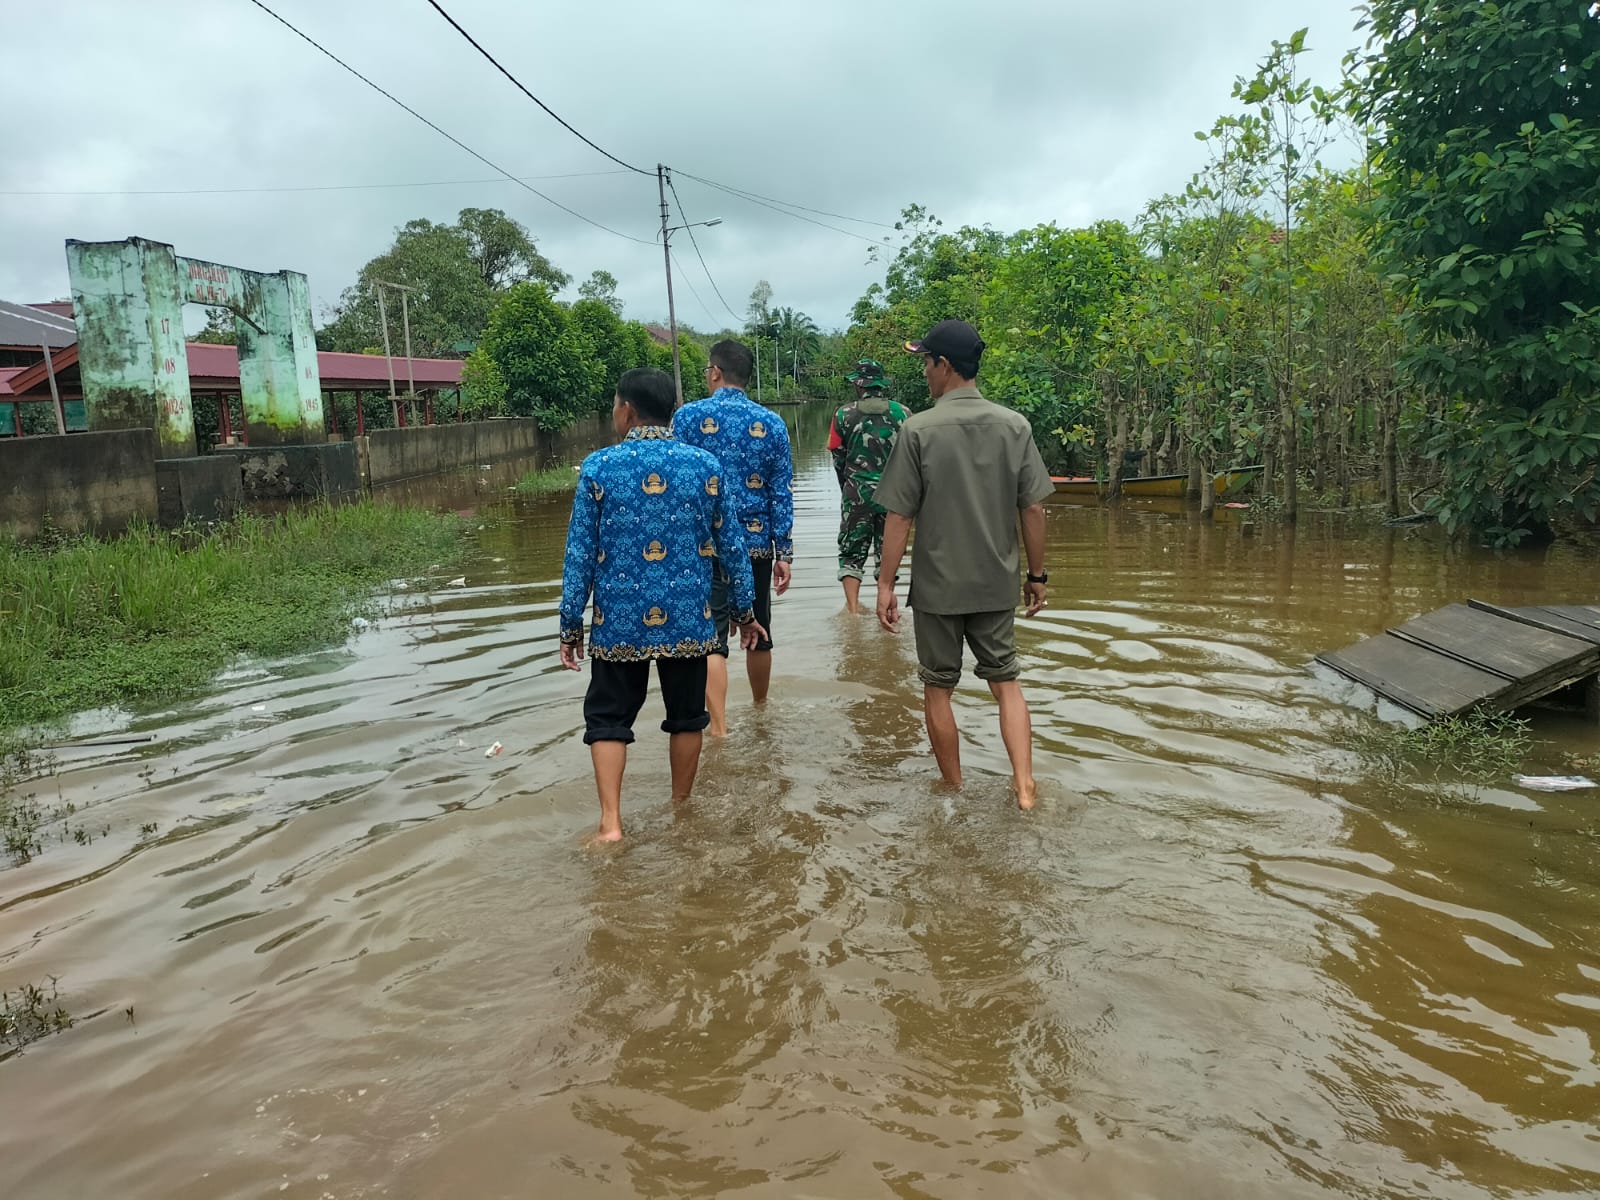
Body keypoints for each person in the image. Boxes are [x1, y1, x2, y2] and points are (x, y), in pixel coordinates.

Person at [559, 367, 766, 842]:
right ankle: (681, 811)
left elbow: (579, 555)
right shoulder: (703, 466)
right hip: (689, 621)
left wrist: (571, 625)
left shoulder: (598, 468)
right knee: (688, 716)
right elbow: (732, 547)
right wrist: (744, 613)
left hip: (619, 621)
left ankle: (611, 824)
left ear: (627, 410)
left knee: (608, 719)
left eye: (615, 405)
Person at [872, 320, 1055, 809]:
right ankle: (1024, 786)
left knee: (938, 690)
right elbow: (1033, 509)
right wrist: (1036, 576)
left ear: (944, 366)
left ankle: (952, 791)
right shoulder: (1014, 425)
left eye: (926, 362)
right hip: (995, 583)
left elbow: (899, 514)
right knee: (1006, 683)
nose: (925, 372)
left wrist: (885, 584)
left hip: (937, 588)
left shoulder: (917, 430)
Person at [672, 340, 795, 736]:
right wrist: (785, 552)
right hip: (755, 545)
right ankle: (761, 713)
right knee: (759, 629)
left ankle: (719, 729)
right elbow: (780, 492)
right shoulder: (772, 424)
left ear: (715, 371)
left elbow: (675, 483)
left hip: (702, 546)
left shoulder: (688, 418)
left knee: (710, 638)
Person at [828, 358, 909, 613]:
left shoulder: (843, 414)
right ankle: (886, 604)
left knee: (851, 551)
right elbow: (911, 459)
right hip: (894, 497)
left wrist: (848, 487)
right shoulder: (904, 414)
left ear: (859, 385)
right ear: (880, 384)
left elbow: (837, 456)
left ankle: (852, 612)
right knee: (889, 551)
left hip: (857, 493)